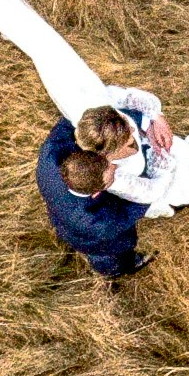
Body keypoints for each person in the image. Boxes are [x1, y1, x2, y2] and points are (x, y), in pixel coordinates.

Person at [37, 104, 152, 278]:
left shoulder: (51, 155)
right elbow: (138, 204)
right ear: (97, 192)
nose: (114, 166)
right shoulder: (100, 224)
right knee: (107, 257)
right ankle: (116, 271)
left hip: (61, 218)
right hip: (96, 243)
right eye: (111, 173)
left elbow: (72, 122)